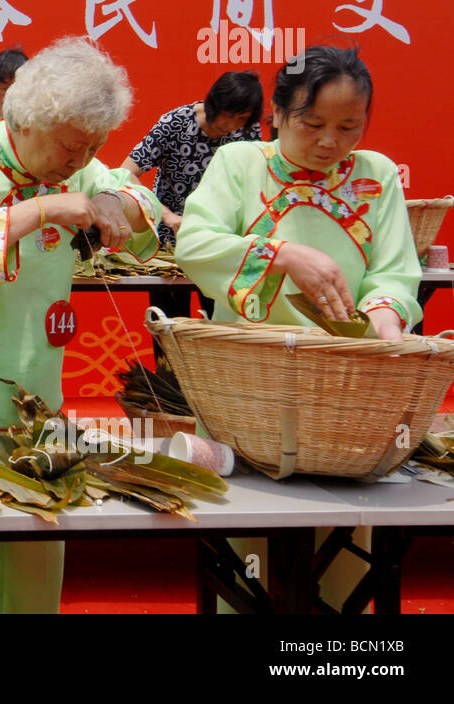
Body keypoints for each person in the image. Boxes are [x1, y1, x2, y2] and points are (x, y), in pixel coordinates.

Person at [0, 36, 161, 614]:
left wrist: (118, 201)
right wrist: (41, 210)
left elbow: (145, 207)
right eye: (72, 145)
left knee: (38, 544)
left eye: (94, 147)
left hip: (35, 384)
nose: (81, 159)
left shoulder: (80, 169)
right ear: (32, 120)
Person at [175, 45, 420, 612]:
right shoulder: (240, 165)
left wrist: (384, 311)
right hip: (251, 388)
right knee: (248, 540)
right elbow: (195, 243)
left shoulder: (375, 176)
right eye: (313, 124)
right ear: (278, 115)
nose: (331, 142)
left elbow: (396, 271)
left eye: (348, 126)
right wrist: (281, 254)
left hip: (344, 394)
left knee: (343, 542)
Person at [120, 70, 263, 344]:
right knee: (169, 329)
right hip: (171, 245)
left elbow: (258, 183)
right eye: (228, 114)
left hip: (223, 244)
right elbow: (127, 172)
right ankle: (170, 384)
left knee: (221, 329)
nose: (231, 125)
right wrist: (167, 215)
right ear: (215, 102)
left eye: (241, 119)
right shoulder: (175, 123)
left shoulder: (247, 133)